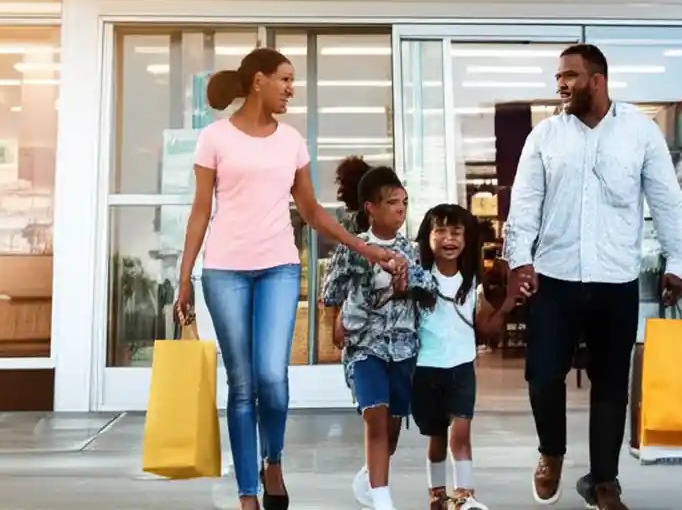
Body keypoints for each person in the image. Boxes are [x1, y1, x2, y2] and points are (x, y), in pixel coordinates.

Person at [175, 48, 407, 510]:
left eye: (292, 81)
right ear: (258, 80)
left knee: (272, 379)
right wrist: (184, 277)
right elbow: (201, 210)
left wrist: (367, 248)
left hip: (279, 266)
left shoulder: (291, 141)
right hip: (223, 270)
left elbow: (312, 211)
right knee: (241, 384)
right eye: (284, 79)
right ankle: (247, 495)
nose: (290, 89)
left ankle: (273, 460)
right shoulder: (214, 138)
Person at [503, 44, 682, 510]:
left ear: (598, 80)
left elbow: (665, 201)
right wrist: (519, 261)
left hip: (615, 278)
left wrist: (676, 262)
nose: (561, 84)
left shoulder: (640, 132)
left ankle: (604, 481)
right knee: (543, 375)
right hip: (554, 276)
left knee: (610, 382)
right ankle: (551, 453)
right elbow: (523, 205)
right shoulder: (545, 136)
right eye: (558, 77)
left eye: (569, 75)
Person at [320, 166, 436, 510]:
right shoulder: (353, 248)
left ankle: (370, 476)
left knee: (393, 427)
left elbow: (427, 290)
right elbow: (331, 292)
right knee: (375, 415)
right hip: (364, 347)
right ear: (371, 207)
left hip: (403, 349)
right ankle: (383, 499)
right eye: (391, 202)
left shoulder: (412, 250)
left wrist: (407, 283)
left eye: (404, 202)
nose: (400, 209)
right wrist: (337, 321)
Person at [412, 203, 533, 510]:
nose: (448, 238)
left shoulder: (472, 283)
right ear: (427, 236)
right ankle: (437, 495)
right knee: (436, 438)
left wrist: (508, 302)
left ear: (467, 240)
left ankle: (464, 494)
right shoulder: (418, 278)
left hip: (462, 368)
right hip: (424, 370)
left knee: (461, 433)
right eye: (440, 230)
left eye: (456, 231)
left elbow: (487, 327)